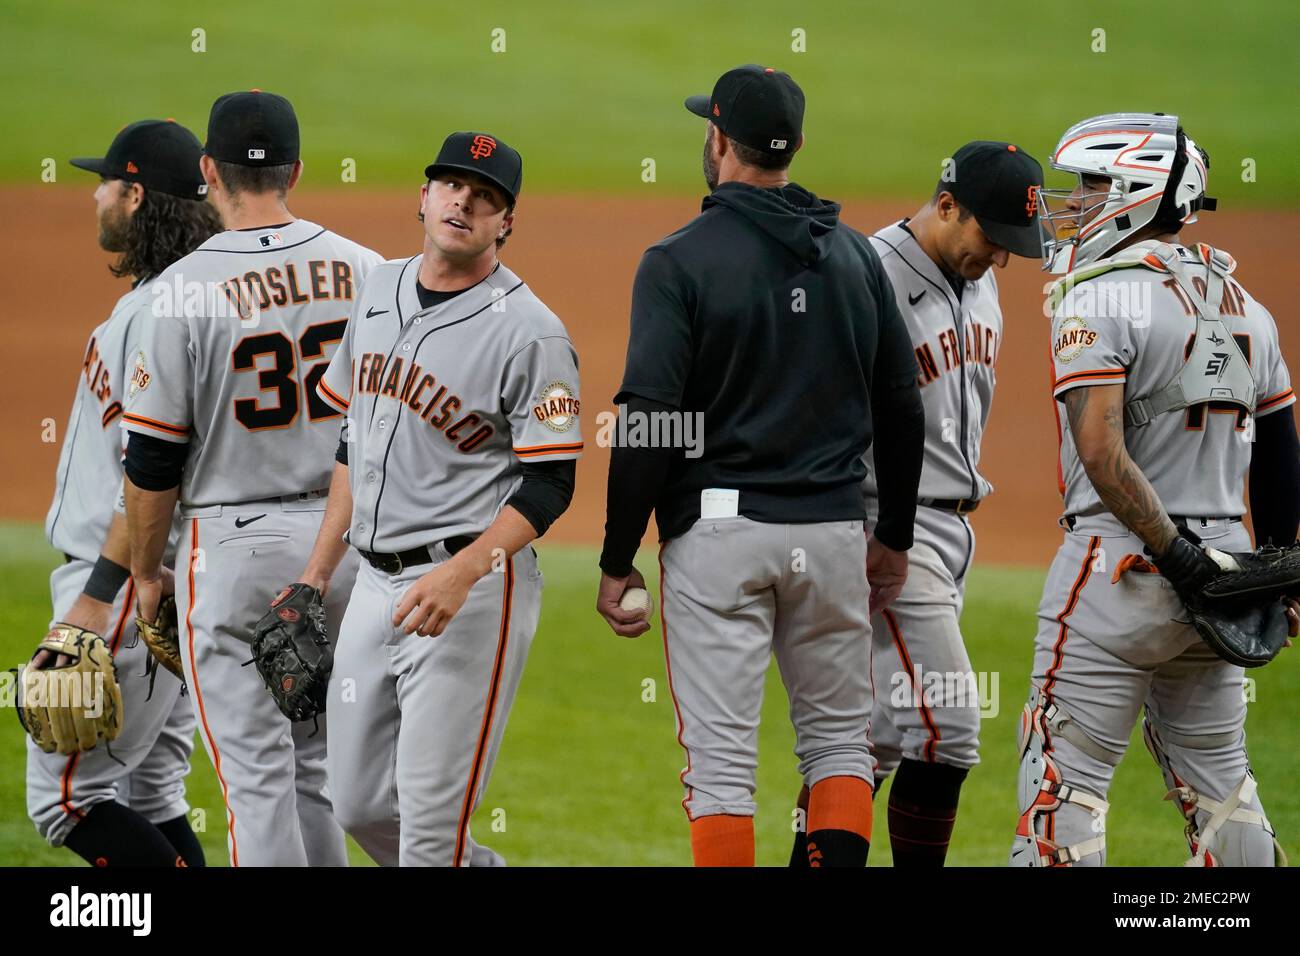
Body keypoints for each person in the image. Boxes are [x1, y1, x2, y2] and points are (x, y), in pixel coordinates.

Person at [596, 64, 925, 867]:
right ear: (796, 147)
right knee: (841, 747)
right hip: (835, 535)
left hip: (720, 539)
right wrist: (896, 534)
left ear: (716, 139)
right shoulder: (855, 257)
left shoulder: (677, 260)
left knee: (720, 774)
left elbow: (647, 420)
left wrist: (616, 557)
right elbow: (902, 406)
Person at [1013, 112, 1299, 866]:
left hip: (1121, 569)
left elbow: (1103, 454)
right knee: (1224, 790)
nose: (1074, 203)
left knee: (1063, 791)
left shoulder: (1095, 299)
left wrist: (1174, 556)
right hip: (1229, 580)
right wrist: (1276, 579)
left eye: (1093, 185)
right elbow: (1281, 458)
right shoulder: (1251, 312)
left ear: (1138, 192)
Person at [300, 131, 581, 866]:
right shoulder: (378, 288)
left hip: (469, 593)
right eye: (452, 185)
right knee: (357, 803)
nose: (464, 200)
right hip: (371, 583)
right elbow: (349, 445)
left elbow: (552, 481)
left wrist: (466, 573)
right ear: (423, 196)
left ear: (506, 222)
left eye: (484, 196)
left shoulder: (532, 334)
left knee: (429, 831)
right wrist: (317, 573)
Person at [122, 90, 383, 866]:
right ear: (297, 170)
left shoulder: (175, 293)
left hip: (233, 552)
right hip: (347, 550)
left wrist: (144, 570)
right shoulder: (370, 270)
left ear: (209, 171)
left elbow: (152, 460)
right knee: (320, 773)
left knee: (257, 780)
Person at [842, 141, 1043, 866]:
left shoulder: (982, 277)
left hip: (953, 534)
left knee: (877, 735)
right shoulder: (867, 272)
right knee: (950, 725)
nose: (997, 259)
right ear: (947, 204)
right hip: (888, 530)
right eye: (991, 239)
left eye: (1011, 248)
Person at [26, 119, 220, 867]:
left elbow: (152, 465)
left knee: (68, 802)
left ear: (136, 195)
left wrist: (97, 597)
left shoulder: (156, 314)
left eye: (104, 182)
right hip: (169, 585)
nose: (96, 196)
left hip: (126, 583)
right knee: (151, 795)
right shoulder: (187, 298)